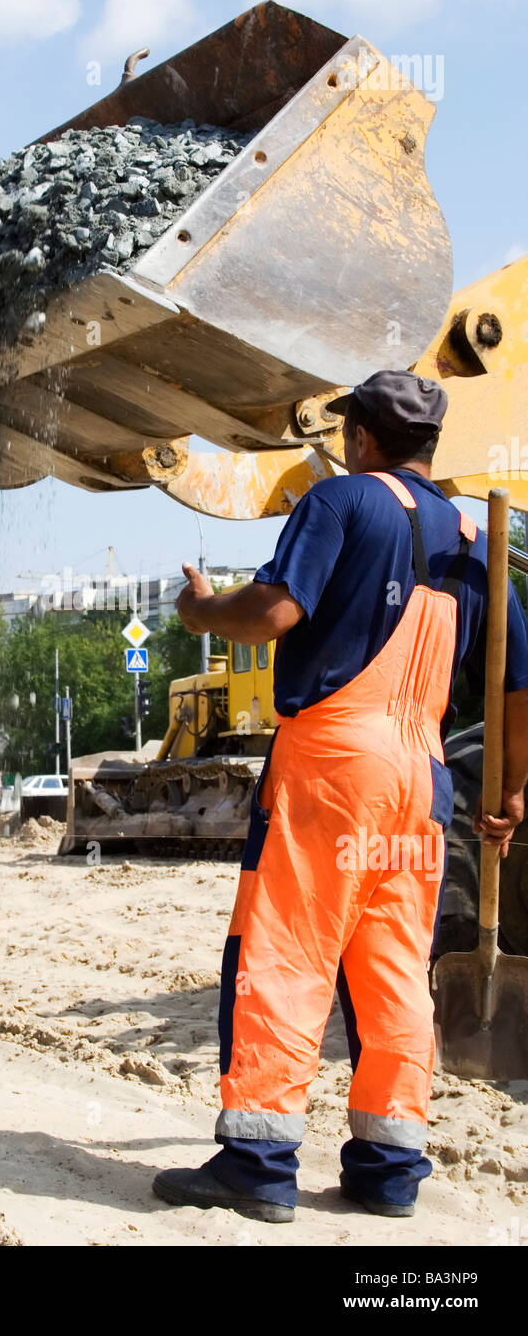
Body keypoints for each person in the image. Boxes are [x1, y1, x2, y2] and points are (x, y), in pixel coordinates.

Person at [153, 370, 528, 1224]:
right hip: (422, 775)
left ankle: (255, 1163)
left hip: (332, 764)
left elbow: (279, 611)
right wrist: (510, 789)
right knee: (393, 968)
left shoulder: (340, 502)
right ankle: (390, 1167)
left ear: (358, 435)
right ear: (431, 445)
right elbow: (516, 687)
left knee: (284, 950)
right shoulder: (477, 536)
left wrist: (205, 611)